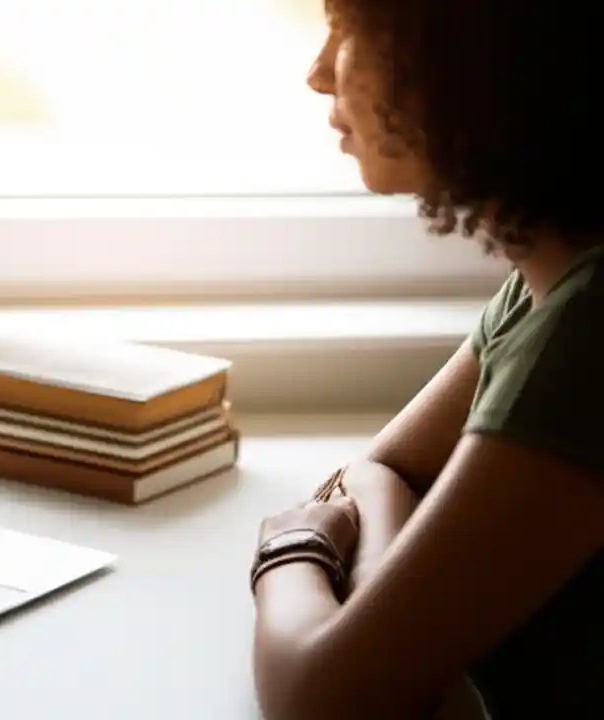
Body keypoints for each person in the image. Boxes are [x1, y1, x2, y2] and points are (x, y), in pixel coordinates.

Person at [248, 2, 604, 718]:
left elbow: (318, 699)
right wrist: (386, 582)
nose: (319, 75)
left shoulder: (587, 337)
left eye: (351, 32)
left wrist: (289, 547)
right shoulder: (547, 286)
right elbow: (379, 470)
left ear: (470, 59)